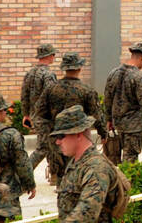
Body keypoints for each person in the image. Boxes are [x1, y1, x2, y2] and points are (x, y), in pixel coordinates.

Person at [34, 53, 107, 183]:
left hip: (57, 139)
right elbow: (97, 116)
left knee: (61, 180)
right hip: (78, 139)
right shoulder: (86, 90)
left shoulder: (51, 89)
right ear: (79, 68)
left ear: (64, 68)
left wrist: (48, 132)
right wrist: (103, 134)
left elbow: (39, 112)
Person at [105, 42, 142, 162]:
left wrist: (108, 119)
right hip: (132, 128)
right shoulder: (138, 77)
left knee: (113, 161)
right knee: (130, 162)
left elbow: (107, 99)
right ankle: (129, 181)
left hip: (116, 126)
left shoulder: (113, 73)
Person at [20, 44, 58, 171]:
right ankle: (24, 174)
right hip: (46, 117)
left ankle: (54, 173)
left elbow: (24, 95)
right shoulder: (48, 75)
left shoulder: (29, 73)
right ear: (49, 56)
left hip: (34, 116)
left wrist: (26, 115)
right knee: (43, 148)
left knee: (51, 144)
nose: (54, 57)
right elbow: (52, 97)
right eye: (53, 54)